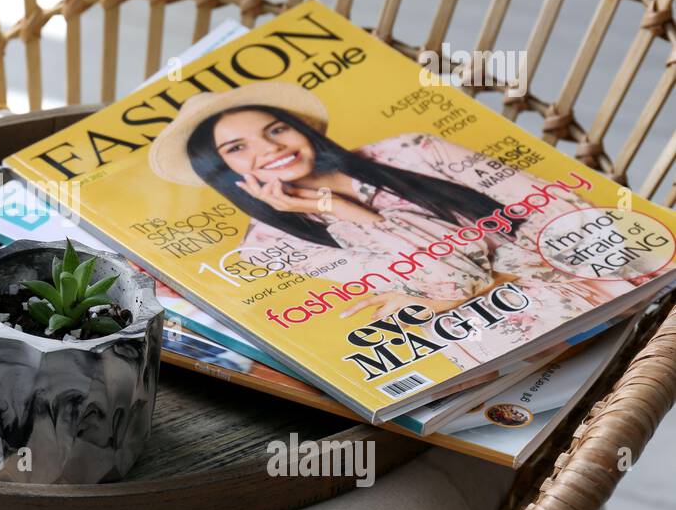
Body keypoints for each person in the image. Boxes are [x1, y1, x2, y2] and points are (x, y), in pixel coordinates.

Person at [147, 82, 632, 367]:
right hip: (511, 345)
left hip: (604, 288)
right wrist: (337, 208)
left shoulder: (410, 151)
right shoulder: (271, 243)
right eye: (238, 149)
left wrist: (465, 284)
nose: (270, 149)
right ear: (225, 174)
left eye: (275, 129)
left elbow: (560, 210)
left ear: (300, 128)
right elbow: (457, 278)